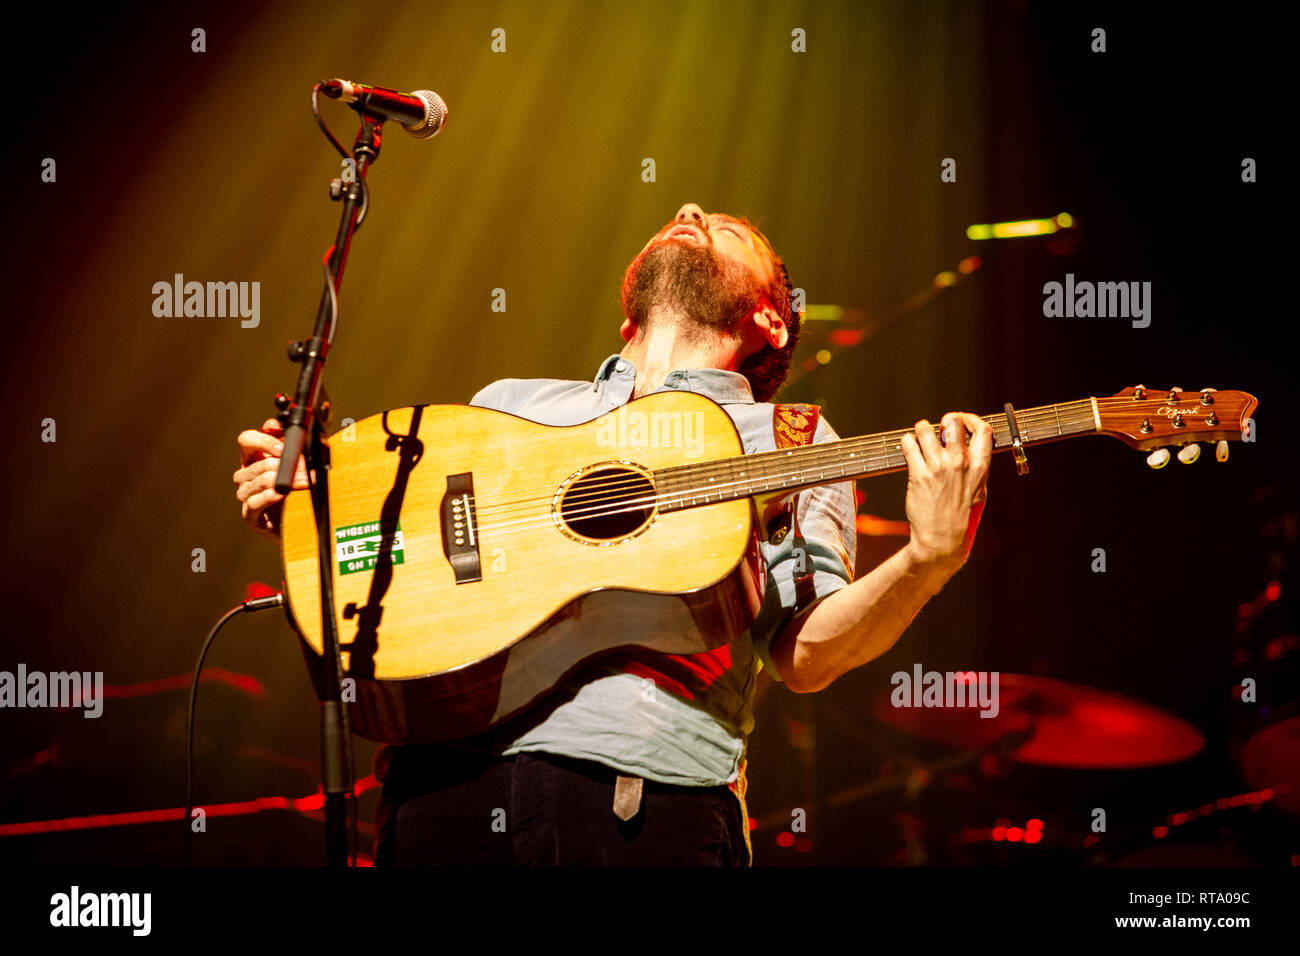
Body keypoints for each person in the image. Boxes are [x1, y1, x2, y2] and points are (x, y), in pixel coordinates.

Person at [233, 202, 993, 866]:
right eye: (688, 217)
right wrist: (310, 520)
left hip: (640, 802)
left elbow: (804, 654)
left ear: (771, 317)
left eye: (727, 230)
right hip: (441, 791)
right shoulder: (511, 403)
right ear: (626, 317)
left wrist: (927, 562)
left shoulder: (794, 438)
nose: (692, 208)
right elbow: (409, 573)